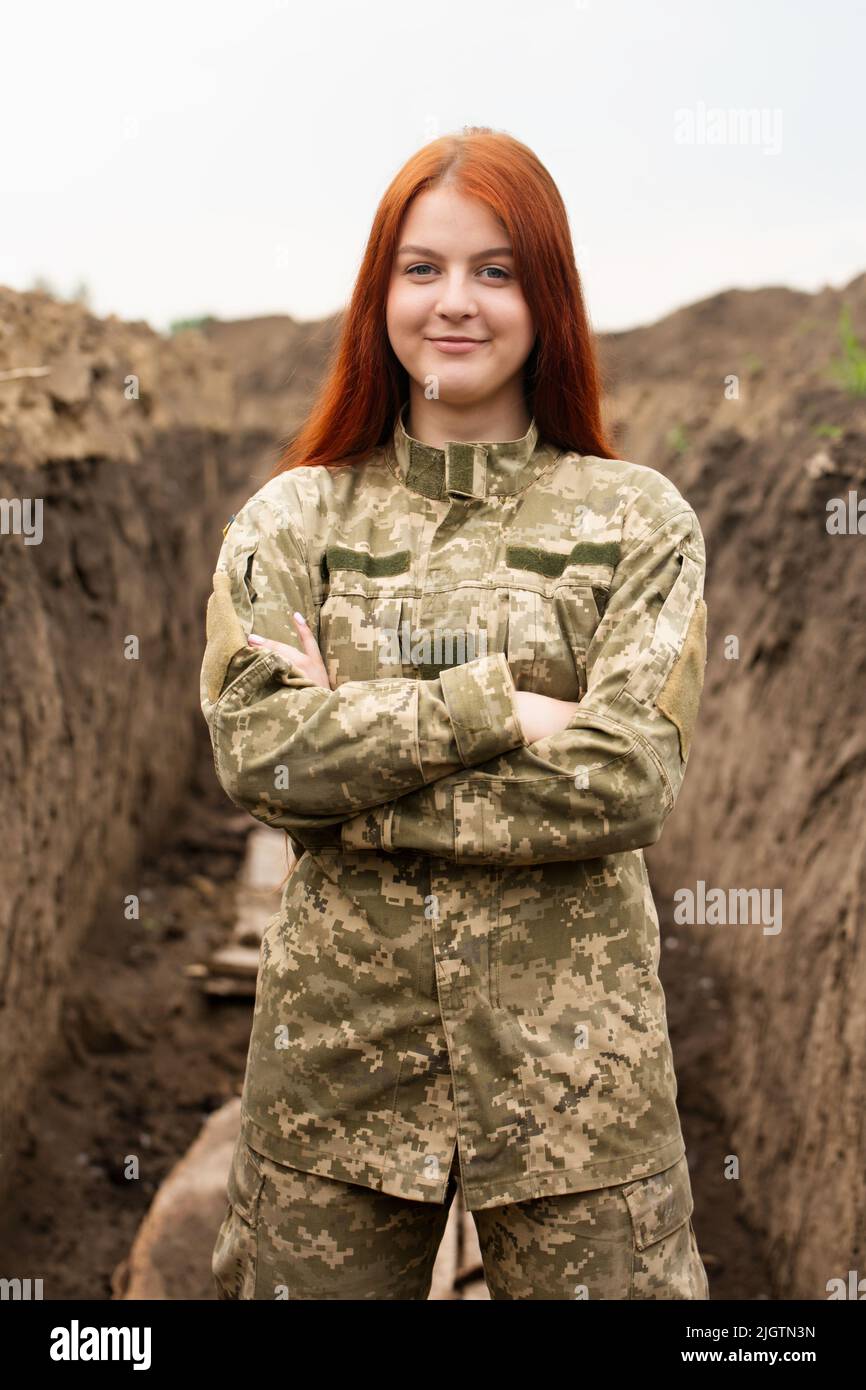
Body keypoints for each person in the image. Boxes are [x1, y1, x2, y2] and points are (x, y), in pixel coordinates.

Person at [200, 126, 710, 1300]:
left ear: (547, 296)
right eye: (421, 268)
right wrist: (506, 707)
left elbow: (627, 775)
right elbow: (260, 755)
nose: (455, 303)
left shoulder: (637, 521)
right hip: (333, 1074)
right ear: (379, 292)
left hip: (577, 1089)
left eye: (495, 269)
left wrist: (353, 773)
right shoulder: (292, 522)